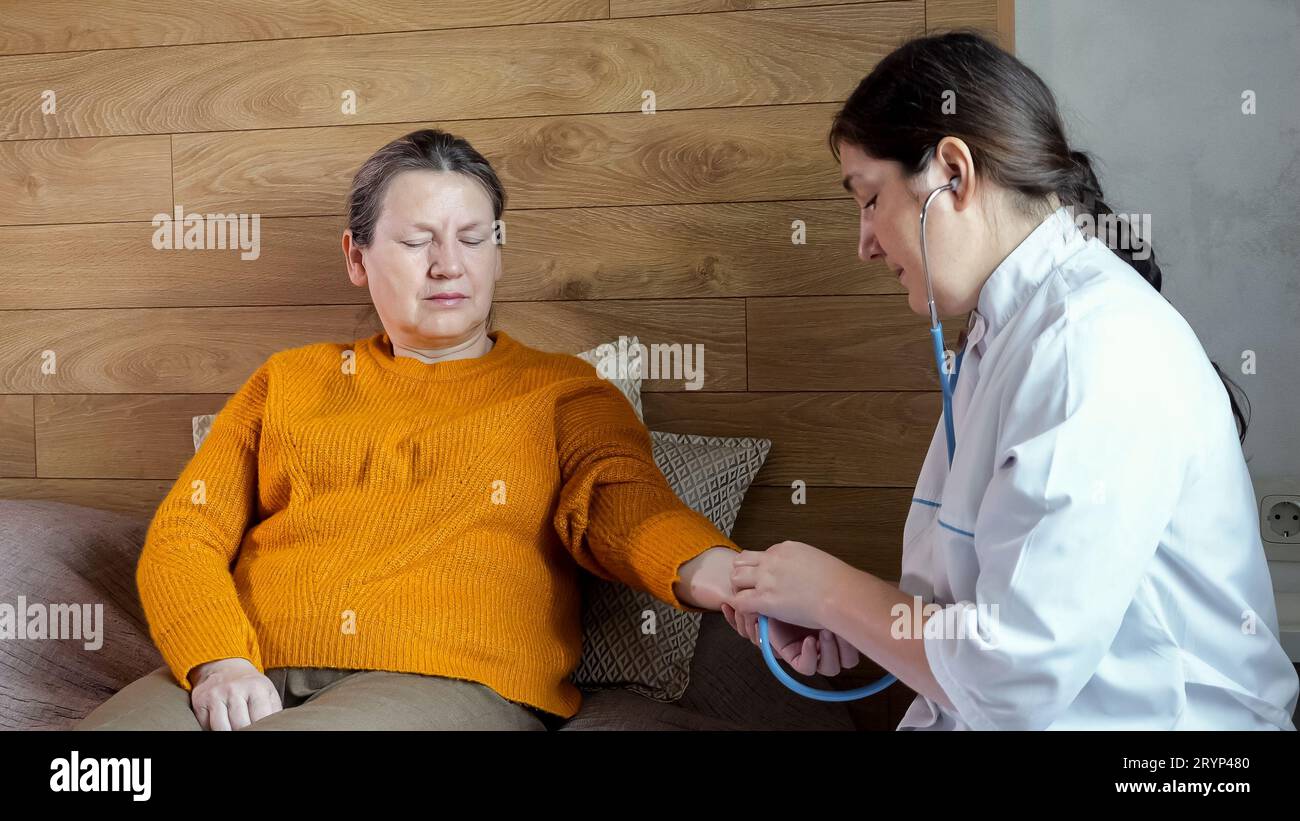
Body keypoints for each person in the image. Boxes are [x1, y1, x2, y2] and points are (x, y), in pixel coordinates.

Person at [77, 128, 849, 732]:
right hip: (245, 667)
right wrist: (217, 660)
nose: (449, 264)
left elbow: (629, 509)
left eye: (473, 238)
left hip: (445, 680)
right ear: (357, 256)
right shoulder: (288, 379)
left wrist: (741, 582)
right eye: (417, 241)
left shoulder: (561, 390)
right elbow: (185, 534)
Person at [723, 31, 1299, 730]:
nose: (865, 241)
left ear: (953, 174)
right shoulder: (1006, 338)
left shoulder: (1092, 344)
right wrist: (862, 623)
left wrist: (834, 595)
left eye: (870, 198)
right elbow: (983, 618)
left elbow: (1014, 680)